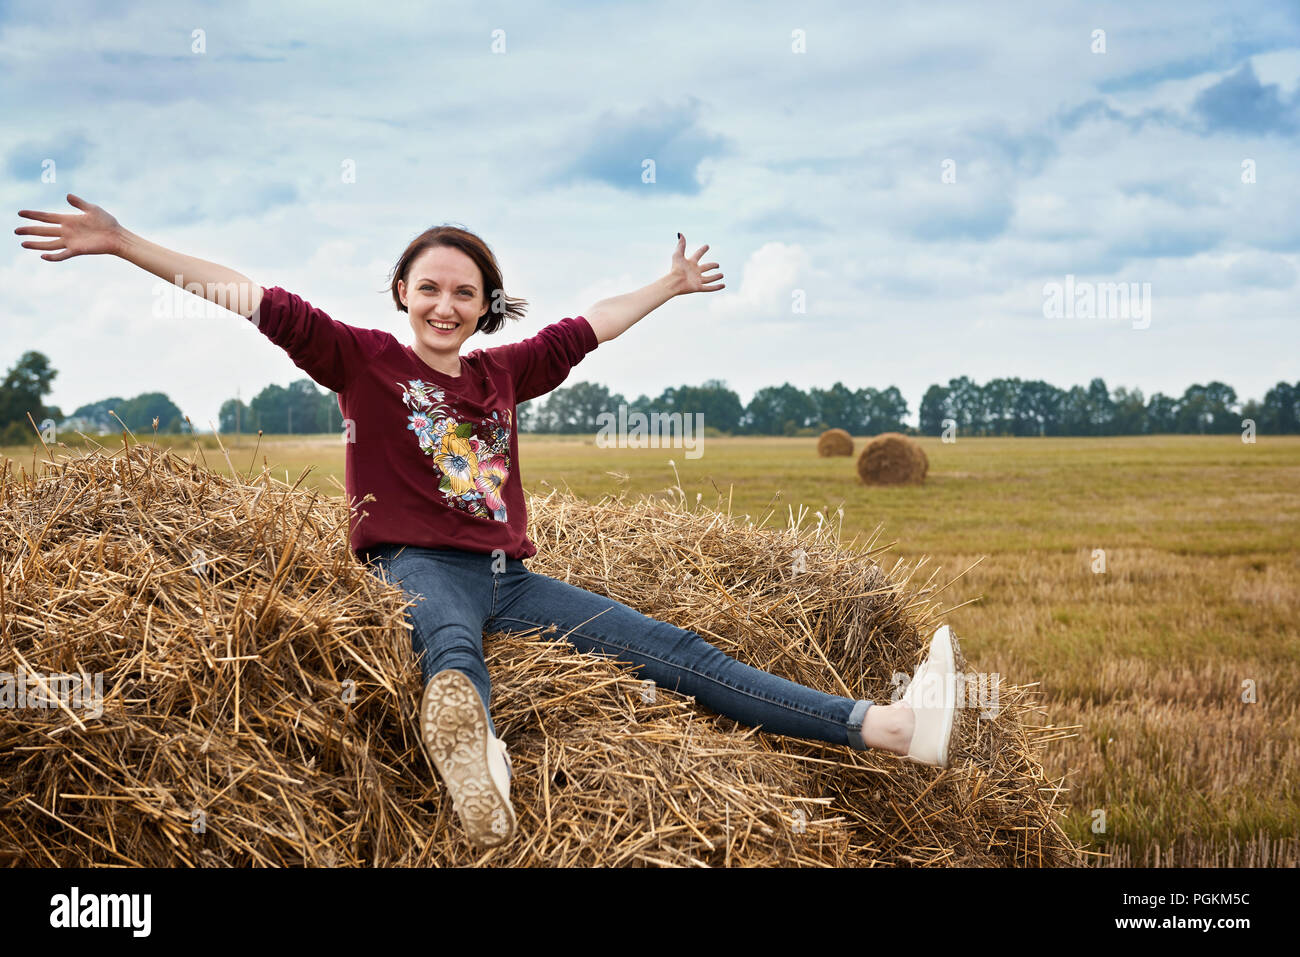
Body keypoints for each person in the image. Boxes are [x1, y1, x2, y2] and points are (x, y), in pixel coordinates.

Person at [15, 194, 960, 850]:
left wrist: (666, 287)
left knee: (683, 654)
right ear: (400, 293)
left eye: (463, 292)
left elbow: (589, 327)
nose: (444, 303)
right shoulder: (361, 358)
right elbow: (249, 295)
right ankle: (478, 768)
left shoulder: (501, 374)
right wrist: (126, 241)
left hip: (515, 576)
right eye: (428, 287)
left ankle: (885, 726)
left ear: (483, 305)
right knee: (445, 645)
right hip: (414, 561)